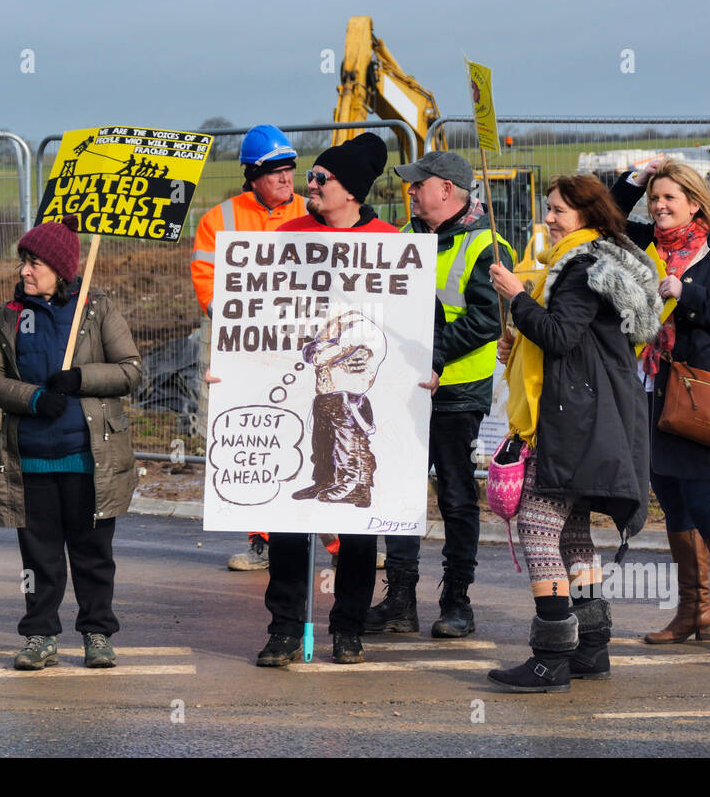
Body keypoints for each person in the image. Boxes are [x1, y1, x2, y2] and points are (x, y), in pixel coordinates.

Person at [485, 174, 661, 692]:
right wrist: (519, 343)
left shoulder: (582, 268)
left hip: (571, 424)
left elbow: (560, 336)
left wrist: (518, 298)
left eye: (558, 209)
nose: (548, 217)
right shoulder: (591, 262)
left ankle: (550, 658)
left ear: (583, 216)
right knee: (574, 534)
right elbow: (567, 340)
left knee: (539, 529)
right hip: (589, 420)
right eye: (549, 208)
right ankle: (590, 650)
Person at [610, 160, 710, 652]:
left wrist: (687, 291)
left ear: (695, 204)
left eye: (669, 199)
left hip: (701, 390)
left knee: (705, 497)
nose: (659, 207)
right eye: (655, 198)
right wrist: (635, 179)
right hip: (649, 388)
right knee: (672, 499)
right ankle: (694, 611)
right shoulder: (642, 246)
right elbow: (607, 219)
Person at [257, 132, 397, 666]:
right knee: (289, 523)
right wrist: (232, 371)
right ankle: (285, 629)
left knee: (360, 521)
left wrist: (425, 372)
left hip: (359, 391)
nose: (308, 186)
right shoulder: (288, 235)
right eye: (310, 177)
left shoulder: (390, 242)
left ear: (352, 192)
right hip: (308, 389)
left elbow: (414, 328)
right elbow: (258, 313)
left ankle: (349, 628)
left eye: (321, 179)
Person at [0, 216, 142, 670]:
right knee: (39, 560)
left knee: (92, 555)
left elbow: (130, 369)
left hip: (89, 461)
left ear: (61, 268)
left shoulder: (96, 309)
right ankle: (39, 635)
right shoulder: (9, 316)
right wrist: (32, 398)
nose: (25, 271)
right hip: (30, 461)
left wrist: (81, 379)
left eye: (35, 263)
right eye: (24, 262)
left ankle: (97, 633)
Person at [365, 150, 512, 638]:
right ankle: (401, 601)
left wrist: (432, 355)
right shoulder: (404, 239)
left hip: (456, 390)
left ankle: (456, 602)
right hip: (401, 389)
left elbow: (487, 319)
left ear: (446, 189)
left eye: (417, 184)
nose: (410, 191)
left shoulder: (486, 245)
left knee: (454, 495)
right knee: (399, 492)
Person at [190, 125, 311, 572]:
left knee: (319, 433)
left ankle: (340, 545)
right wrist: (239, 322)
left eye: (290, 170)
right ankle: (263, 542)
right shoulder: (219, 219)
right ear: (253, 175)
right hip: (250, 352)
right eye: (276, 171)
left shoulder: (312, 210)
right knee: (260, 436)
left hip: (306, 348)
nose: (286, 179)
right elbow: (206, 278)